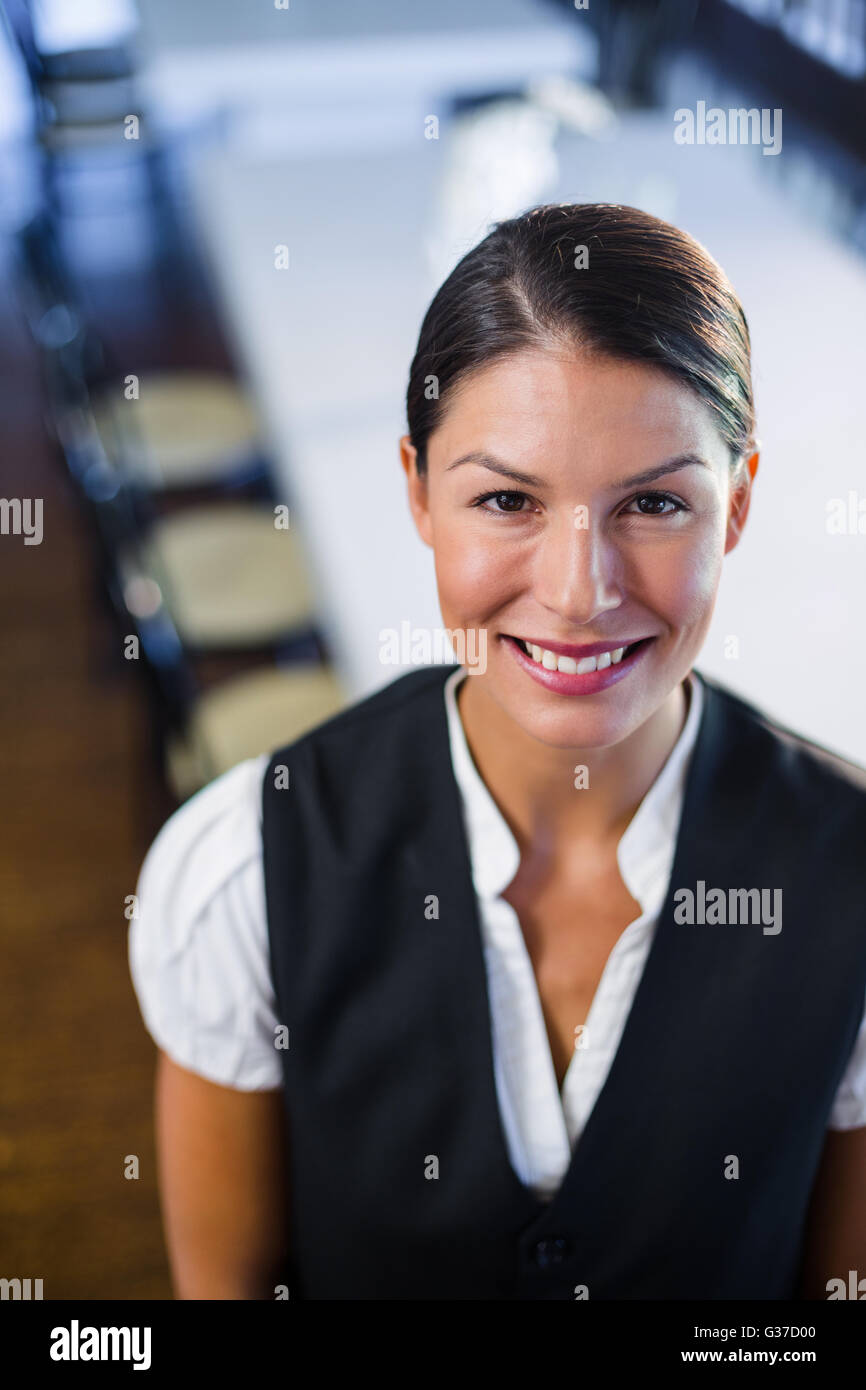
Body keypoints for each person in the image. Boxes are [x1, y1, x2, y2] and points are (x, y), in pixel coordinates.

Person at [129, 203, 866, 1300]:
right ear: (419, 492)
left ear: (738, 505)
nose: (578, 593)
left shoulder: (844, 875)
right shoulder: (244, 869)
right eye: (506, 498)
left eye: (655, 502)